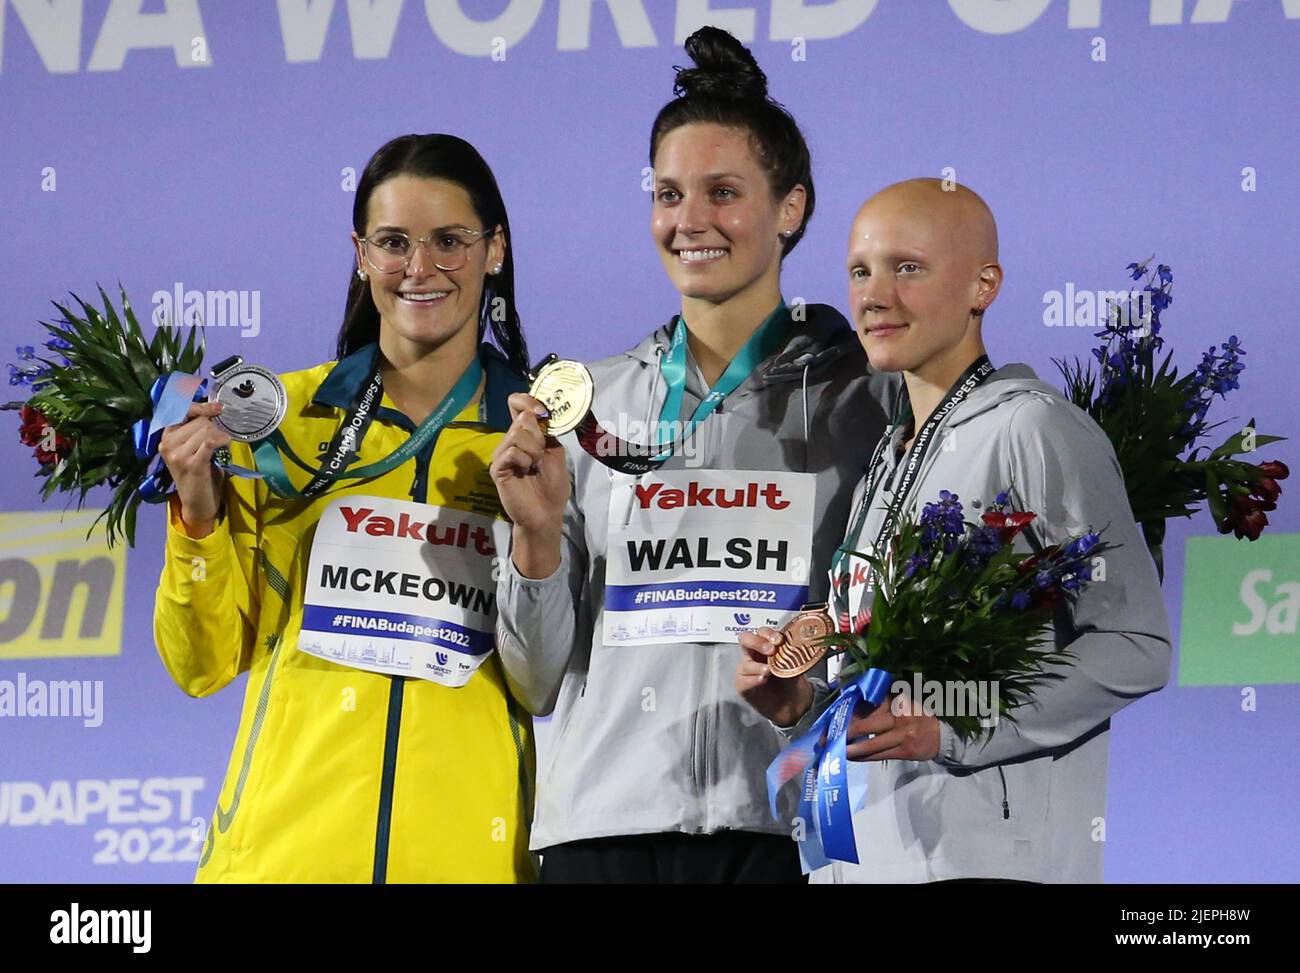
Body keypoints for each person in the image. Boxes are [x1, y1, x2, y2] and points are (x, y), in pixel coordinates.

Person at [490, 27, 895, 883]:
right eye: (669, 193)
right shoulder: (582, 405)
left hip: (787, 829)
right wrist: (532, 540)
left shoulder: (869, 399)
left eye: (723, 191)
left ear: (791, 208)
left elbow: (887, 624)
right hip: (602, 834)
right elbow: (533, 679)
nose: (690, 221)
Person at [737, 177, 1172, 883]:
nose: (874, 295)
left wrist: (958, 726)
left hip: (991, 859)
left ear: (983, 284)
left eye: (907, 267)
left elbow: (1136, 645)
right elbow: (889, 678)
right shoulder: (889, 455)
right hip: (870, 859)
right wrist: (799, 700)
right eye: (859, 270)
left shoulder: (1034, 428)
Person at [154, 134, 537, 883]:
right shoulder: (278, 422)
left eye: (449, 241)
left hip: (468, 859)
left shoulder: (534, 441)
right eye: (393, 242)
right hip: (282, 856)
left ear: (495, 250)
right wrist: (197, 520)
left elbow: (547, 673)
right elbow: (200, 666)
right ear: (361, 255)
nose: (419, 269)